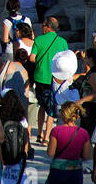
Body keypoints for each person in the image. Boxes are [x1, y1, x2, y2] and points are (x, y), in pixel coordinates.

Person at [30, 17, 69, 146]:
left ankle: (40, 134)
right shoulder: (62, 42)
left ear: (48, 26)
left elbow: (32, 58)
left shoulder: (39, 40)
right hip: (56, 78)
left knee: (42, 105)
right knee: (52, 107)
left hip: (41, 77)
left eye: (43, 25)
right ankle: (47, 136)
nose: (42, 28)